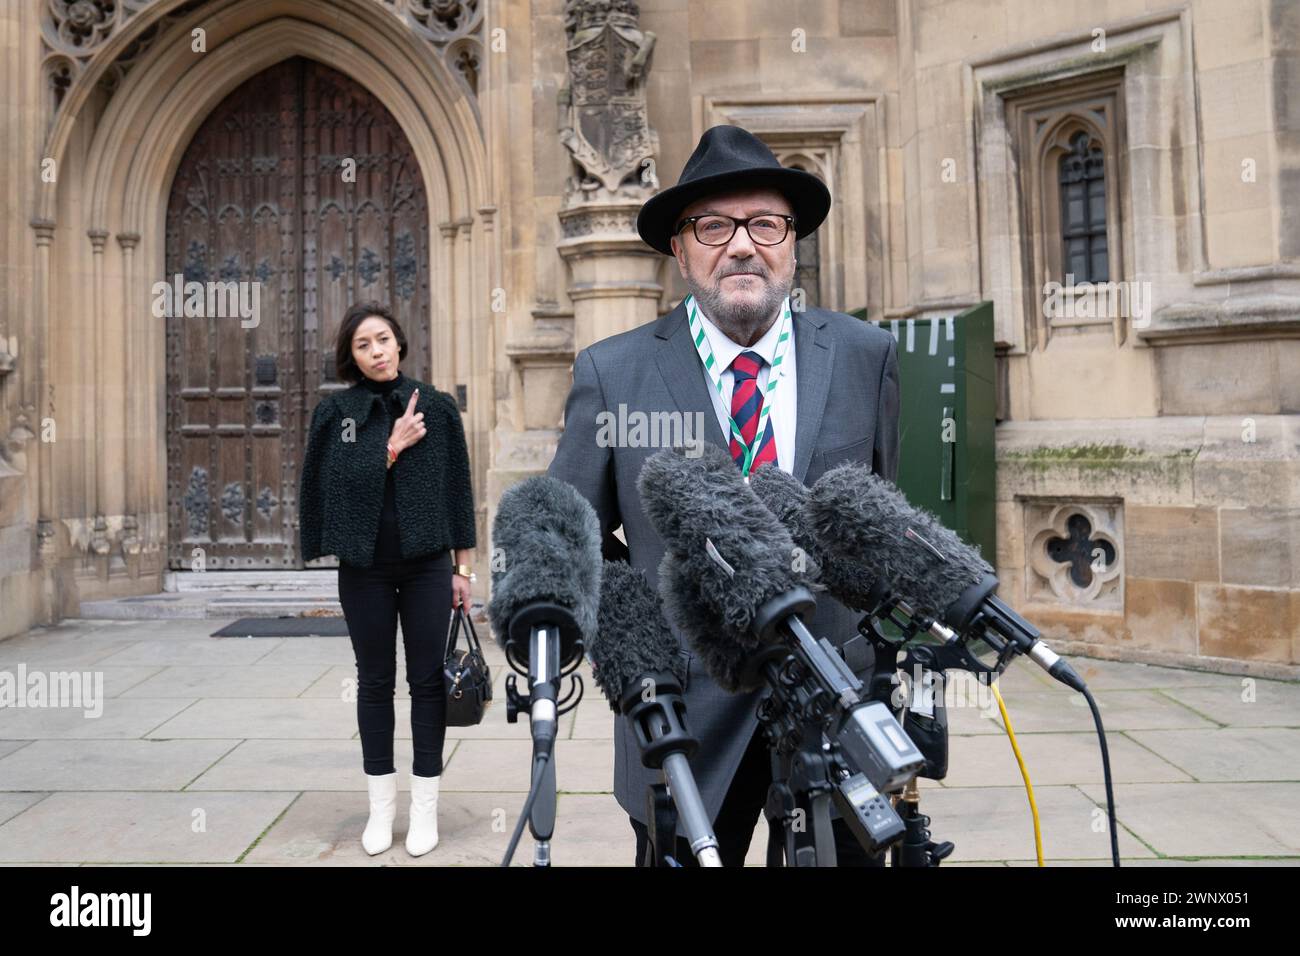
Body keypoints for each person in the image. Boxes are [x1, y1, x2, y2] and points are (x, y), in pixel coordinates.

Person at [547, 125, 900, 866]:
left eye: (764, 223)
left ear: (792, 242)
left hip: (838, 705)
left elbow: (882, 525)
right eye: (714, 226)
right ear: (681, 251)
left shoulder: (866, 357)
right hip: (684, 726)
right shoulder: (614, 373)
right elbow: (574, 542)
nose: (741, 245)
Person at [298, 301, 477, 857]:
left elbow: (458, 492)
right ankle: (381, 811)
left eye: (382, 340)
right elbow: (333, 488)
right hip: (364, 569)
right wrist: (393, 446)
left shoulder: (440, 409)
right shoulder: (337, 414)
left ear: (399, 342)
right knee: (374, 682)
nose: (376, 351)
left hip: (426, 566)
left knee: (427, 683)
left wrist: (463, 567)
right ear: (350, 357)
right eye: (362, 345)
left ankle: (424, 811)